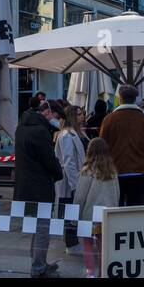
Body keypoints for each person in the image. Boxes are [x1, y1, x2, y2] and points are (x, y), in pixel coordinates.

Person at [15, 100, 64, 278]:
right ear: (47, 113)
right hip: (40, 187)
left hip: (24, 187)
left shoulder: (21, 127)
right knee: (42, 228)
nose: (57, 121)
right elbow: (49, 160)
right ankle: (38, 268)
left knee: (36, 227)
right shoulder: (40, 131)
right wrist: (60, 173)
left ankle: (39, 262)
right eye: (56, 117)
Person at [99, 85, 144, 206]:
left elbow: (101, 146)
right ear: (135, 99)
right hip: (139, 172)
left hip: (115, 172)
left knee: (116, 209)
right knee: (136, 211)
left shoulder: (109, 120)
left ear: (120, 98)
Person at [73, 138, 118, 278]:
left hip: (89, 215)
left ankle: (90, 273)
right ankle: (103, 273)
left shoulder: (87, 171)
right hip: (106, 215)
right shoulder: (113, 172)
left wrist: (75, 215)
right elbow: (117, 193)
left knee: (87, 243)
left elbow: (80, 196)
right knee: (102, 245)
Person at [54, 104, 86, 251]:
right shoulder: (66, 136)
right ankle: (71, 244)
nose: (82, 116)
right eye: (79, 114)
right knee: (69, 210)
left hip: (77, 179)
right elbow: (68, 162)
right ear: (73, 116)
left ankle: (72, 241)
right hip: (69, 181)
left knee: (72, 210)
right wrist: (75, 185)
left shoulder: (78, 133)